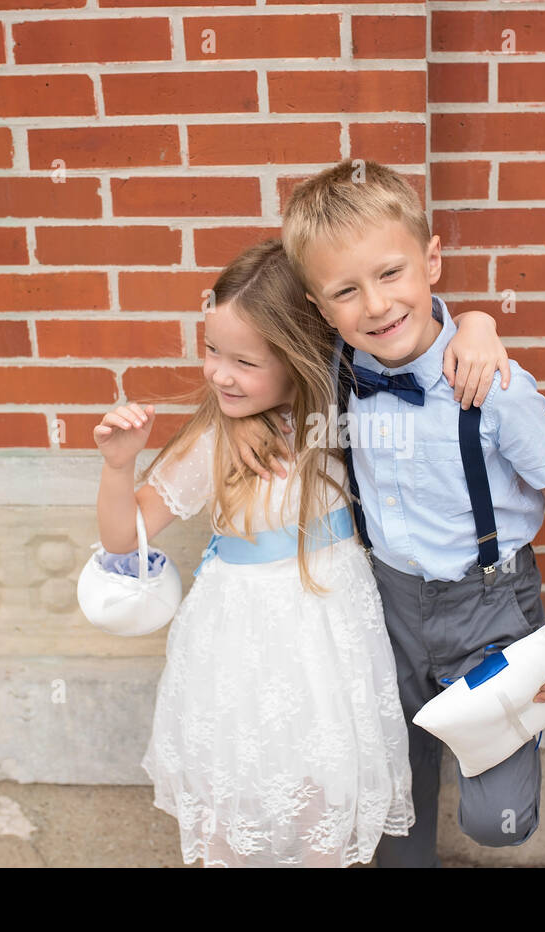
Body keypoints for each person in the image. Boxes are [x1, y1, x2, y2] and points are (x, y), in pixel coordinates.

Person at [91, 238, 512, 867]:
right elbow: (124, 540)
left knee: (326, 796)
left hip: (334, 643)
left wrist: (478, 324)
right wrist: (118, 468)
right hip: (240, 647)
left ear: (297, 357)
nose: (220, 374)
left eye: (244, 361)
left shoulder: (346, 408)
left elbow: (417, 337)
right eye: (212, 351)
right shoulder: (214, 436)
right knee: (243, 794)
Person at [278, 159, 545, 868]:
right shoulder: (336, 366)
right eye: (346, 291)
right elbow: (243, 337)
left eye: (392, 274)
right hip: (385, 602)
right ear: (321, 306)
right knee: (398, 791)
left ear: (432, 260)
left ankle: (500, 740)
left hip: (486, 607)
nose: (376, 304)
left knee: (500, 821)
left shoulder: (493, 386)